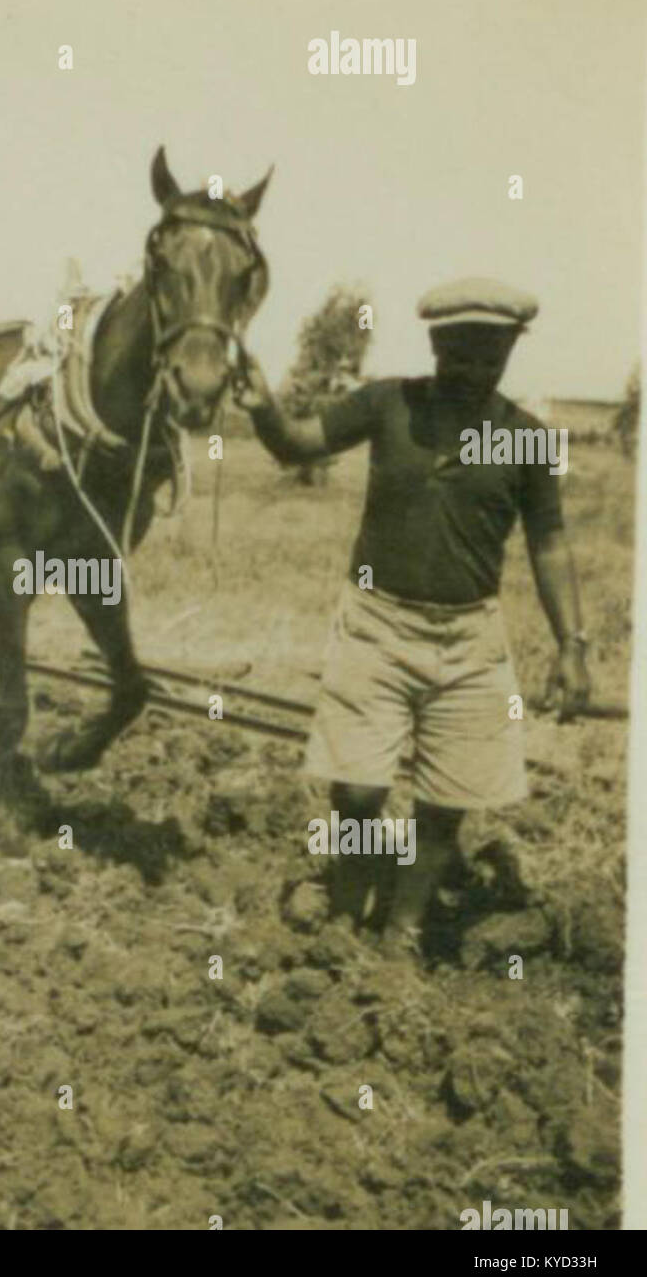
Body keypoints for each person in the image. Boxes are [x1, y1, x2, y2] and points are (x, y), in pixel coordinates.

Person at [236, 278, 591, 957]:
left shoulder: (527, 440)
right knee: (361, 791)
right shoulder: (389, 404)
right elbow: (299, 443)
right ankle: (348, 904)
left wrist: (572, 643)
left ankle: (404, 926)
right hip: (377, 623)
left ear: (511, 352)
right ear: (435, 344)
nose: (473, 369)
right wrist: (263, 411)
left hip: (469, 639)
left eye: (490, 356)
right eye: (459, 353)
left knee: (444, 799)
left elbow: (550, 542)